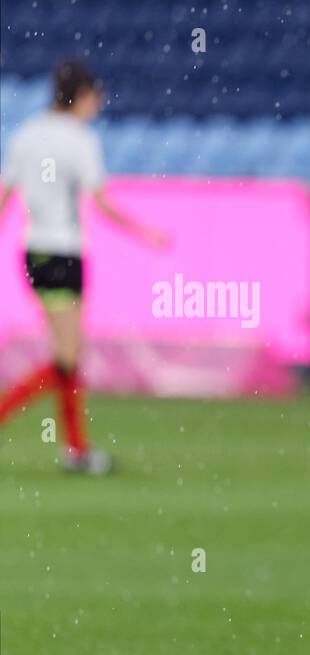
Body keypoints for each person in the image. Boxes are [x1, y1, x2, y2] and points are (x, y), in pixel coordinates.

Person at [0, 59, 166, 473]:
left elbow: (6, 195)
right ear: (83, 96)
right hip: (64, 254)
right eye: (96, 97)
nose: (99, 105)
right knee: (67, 359)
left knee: (68, 358)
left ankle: (76, 450)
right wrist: (146, 233)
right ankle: (66, 445)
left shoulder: (26, 135)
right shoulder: (79, 140)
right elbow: (102, 201)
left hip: (35, 253)